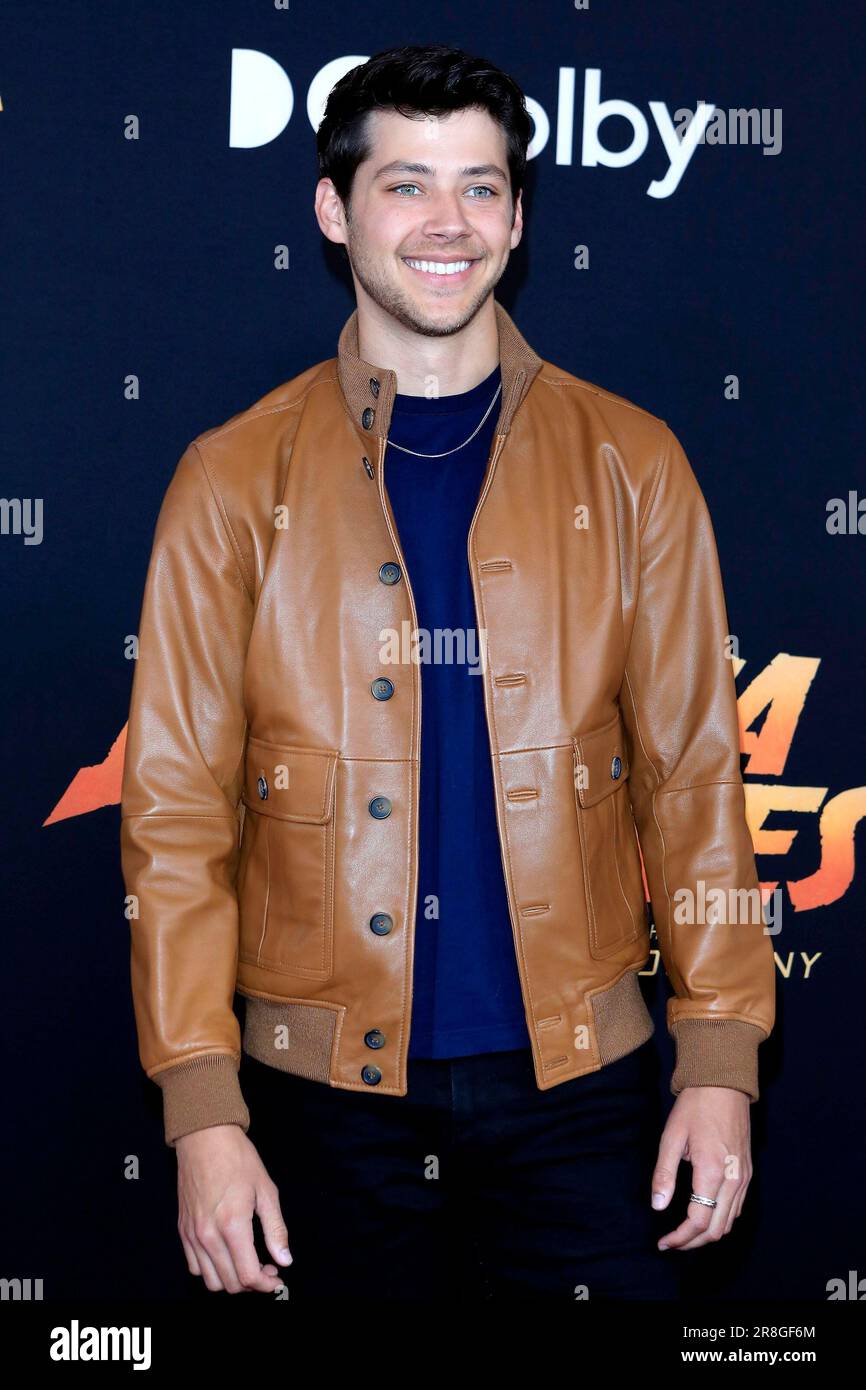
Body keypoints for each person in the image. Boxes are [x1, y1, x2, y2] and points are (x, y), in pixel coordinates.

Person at [120, 43, 775, 1302]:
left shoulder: (632, 464)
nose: (445, 223)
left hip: (584, 1101)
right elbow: (173, 813)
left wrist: (716, 1060)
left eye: (479, 187)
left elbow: (693, 779)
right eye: (405, 184)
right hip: (315, 1108)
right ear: (333, 208)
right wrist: (204, 1111)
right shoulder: (229, 476)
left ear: (519, 219)